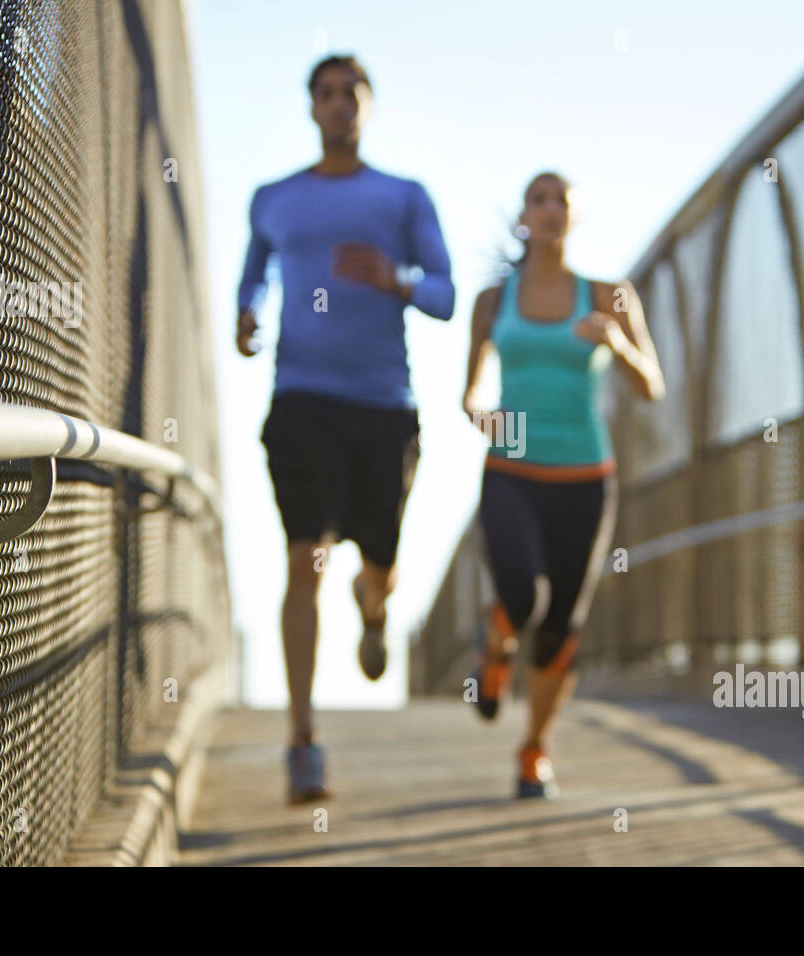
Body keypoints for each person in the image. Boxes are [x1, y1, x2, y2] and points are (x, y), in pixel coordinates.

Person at [236, 54, 455, 804]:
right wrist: (246, 317)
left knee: (377, 559)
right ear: (311, 108)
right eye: (325, 95)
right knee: (305, 559)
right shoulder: (274, 200)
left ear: (367, 105)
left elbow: (446, 295)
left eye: (349, 94)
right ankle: (302, 739)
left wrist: (395, 277)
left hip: (383, 408)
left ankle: (376, 605)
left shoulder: (402, 197)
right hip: (301, 400)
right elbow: (252, 276)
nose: (338, 106)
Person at [462, 171, 664, 798]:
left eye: (562, 202)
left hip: (584, 475)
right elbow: (469, 392)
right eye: (539, 199)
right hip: (512, 467)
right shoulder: (494, 301)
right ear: (524, 216)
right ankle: (496, 647)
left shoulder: (609, 294)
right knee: (522, 596)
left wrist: (617, 345)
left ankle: (533, 750)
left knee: (561, 629)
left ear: (574, 219)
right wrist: (481, 415)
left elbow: (652, 386)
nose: (550, 209)